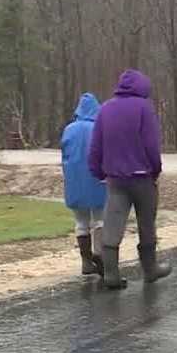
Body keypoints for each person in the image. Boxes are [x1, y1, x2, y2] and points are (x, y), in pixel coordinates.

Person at [88, 69, 172, 289]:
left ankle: (111, 275)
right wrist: (155, 170)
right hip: (142, 178)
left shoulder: (105, 109)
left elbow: (96, 146)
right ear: (143, 87)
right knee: (146, 224)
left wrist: (98, 172)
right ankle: (150, 270)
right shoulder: (144, 108)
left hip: (115, 179)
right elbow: (151, 144)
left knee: (112, 225)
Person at [61, 92, 106, 276]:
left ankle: (86, 261)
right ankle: (101, 257)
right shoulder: (99, 128)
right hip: (97, 179)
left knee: (81, 222)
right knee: (100, 220)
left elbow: (64, 155)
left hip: (75, 180)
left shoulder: (69, 129)